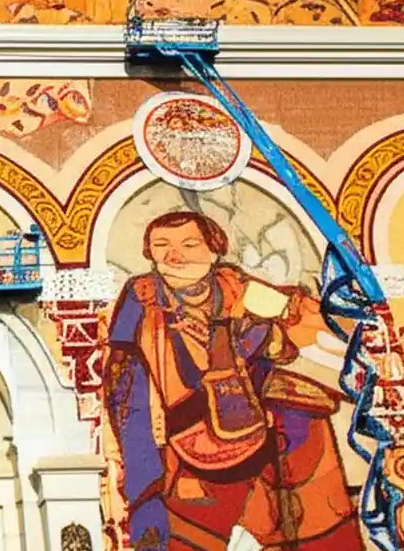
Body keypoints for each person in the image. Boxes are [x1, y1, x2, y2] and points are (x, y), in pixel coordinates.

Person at [103, 211, 360, 550]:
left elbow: (307, 321)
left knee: (304, 421)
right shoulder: (143, 297)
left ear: (214, 248)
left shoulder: (235, 286)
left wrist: (282, 321)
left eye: (189, 244)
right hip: (185, 435)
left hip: (255, 425)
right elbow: (124, 381)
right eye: (161, 246)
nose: (173, 255)